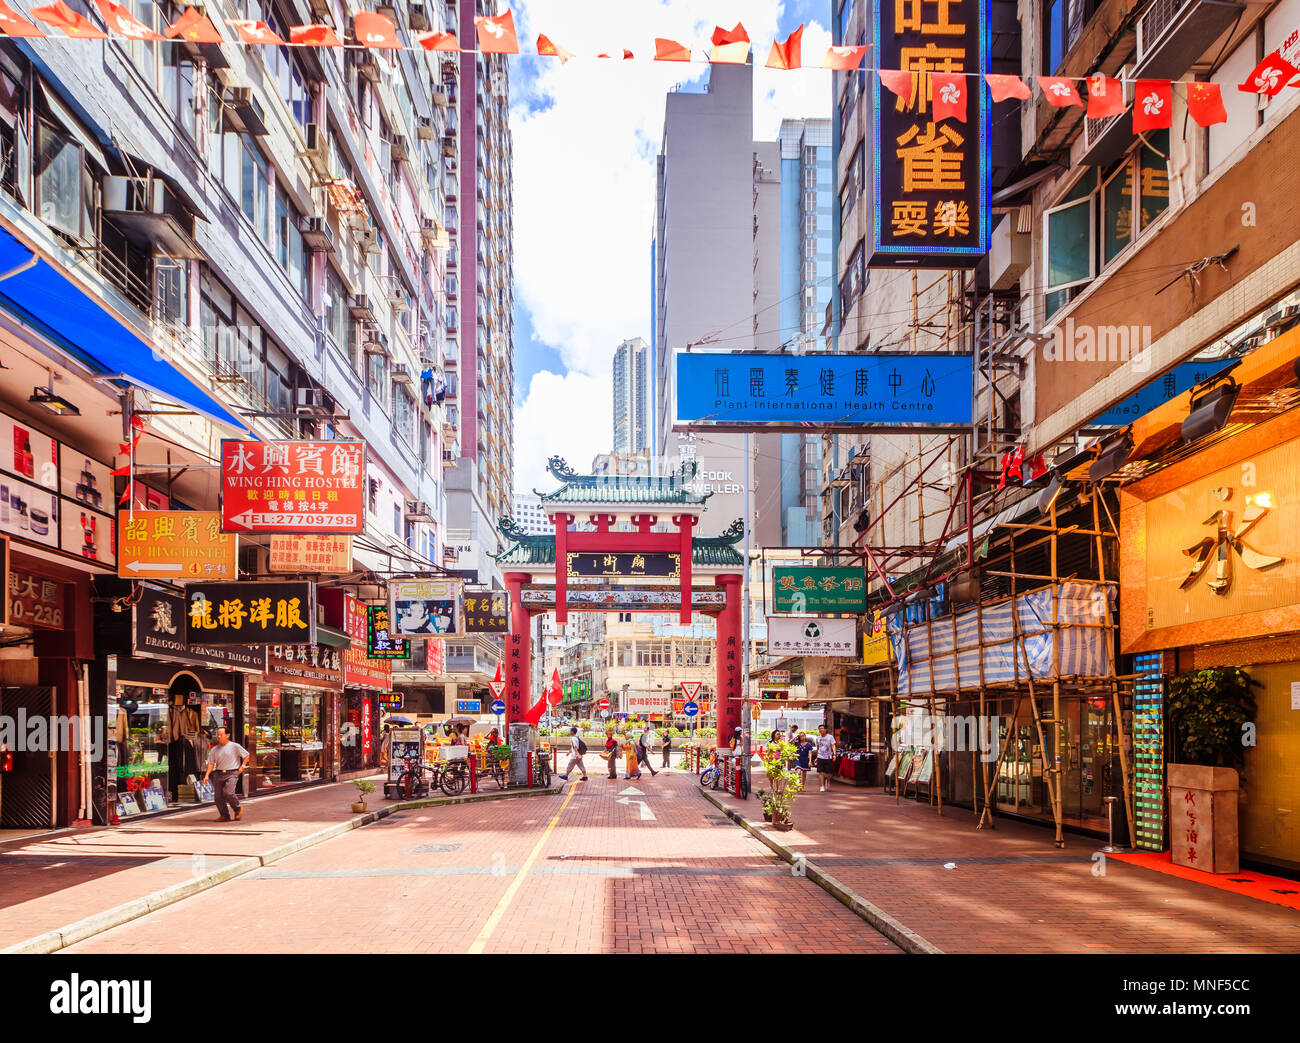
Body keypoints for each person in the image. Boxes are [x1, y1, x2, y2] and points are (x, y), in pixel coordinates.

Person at [202, 727, 251, 822]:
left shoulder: (235, 746)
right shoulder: (214, 749)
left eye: (221, 735)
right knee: (218, 797)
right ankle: (224, 815)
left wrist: (243, 766)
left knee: (229, 792)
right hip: (218, 774)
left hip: (232, 773)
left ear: (227, 735)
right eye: (217, 735)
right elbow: (211, 763)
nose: (218, 737)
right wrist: (207, 775)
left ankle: (238, 809)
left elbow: (246, 755)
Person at [815, 724, 837, 793]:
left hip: (828, 757)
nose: (821, 730)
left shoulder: (830, 737)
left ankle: (828, 780)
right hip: (820, 756)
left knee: (829, 773)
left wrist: (834, 754)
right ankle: (822, 786)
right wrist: (817, 757)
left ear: (825, 730)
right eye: (819, 728)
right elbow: (818, 748)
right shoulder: (818, 738)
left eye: (822, 728)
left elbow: (833, 746)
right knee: (820, 772)